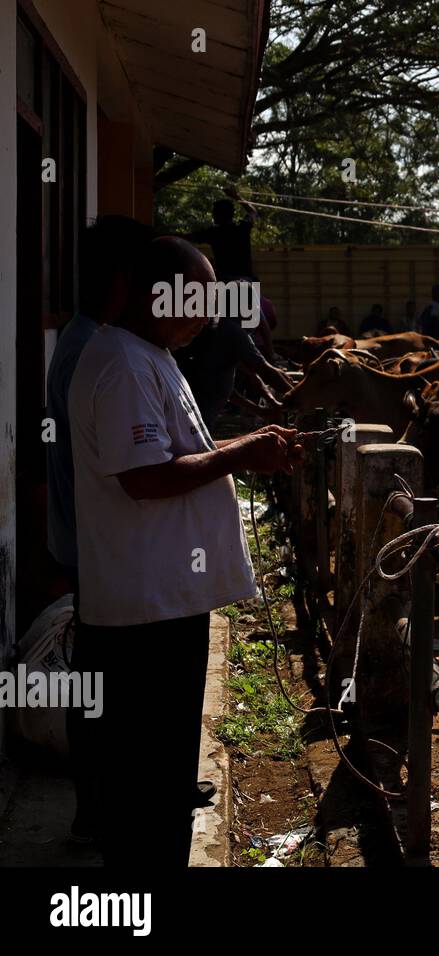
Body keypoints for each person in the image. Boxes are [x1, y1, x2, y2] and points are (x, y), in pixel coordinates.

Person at [68, 237, 303, 866]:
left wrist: (248, 448)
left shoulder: (154, 354)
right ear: (152, 292)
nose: (206, 309)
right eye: (194, 294)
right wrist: (243, 451)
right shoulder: (121, 361)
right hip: (145, 609)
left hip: (166, 598)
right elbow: (145, 477)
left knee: (163, 779)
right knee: (145, 787)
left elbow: (173, 458)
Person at [45, 214, 154, 844]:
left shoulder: (83, 338)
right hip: (96, 543)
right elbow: (135, 473)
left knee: (107, 677)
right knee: (109, 681)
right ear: (123, 278)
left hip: (85, 539)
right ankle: (99, 811)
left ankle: (112, 799)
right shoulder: (99, 349)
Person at [173, 280, 294, 424]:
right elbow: (265, 371)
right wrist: (298, 394)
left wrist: (262, 409)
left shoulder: (219, 324)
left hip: (196, 408)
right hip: (198, 410)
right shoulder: (233, 331)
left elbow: (244, 378)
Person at [186, 191, 256, 281]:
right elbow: (252, 211)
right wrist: (236, 197)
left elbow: (187, 237)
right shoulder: (243, 227)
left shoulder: (214, 233)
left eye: (215, 212)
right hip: (246, 281)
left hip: (227, 282)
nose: (213, 215)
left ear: (221, 214)